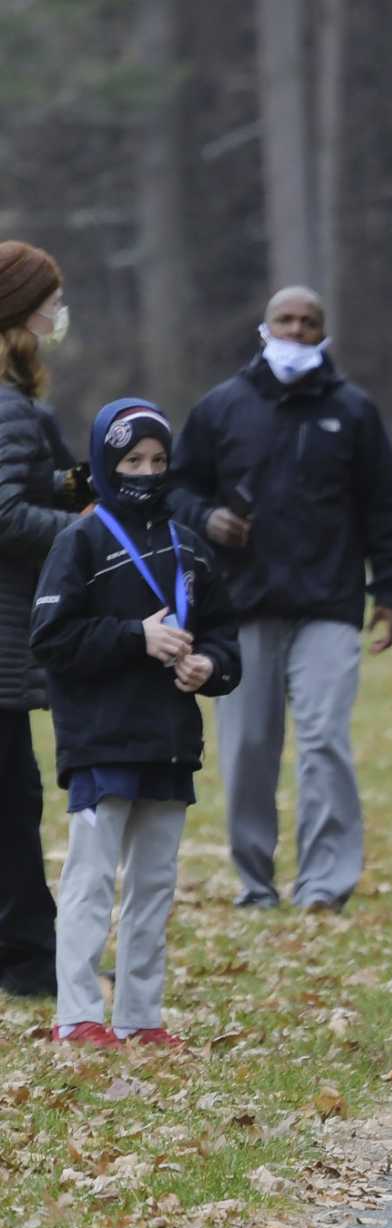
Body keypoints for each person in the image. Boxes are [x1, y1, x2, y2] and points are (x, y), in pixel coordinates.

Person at [168, 285, 392, 912]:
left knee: (324, 738)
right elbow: (173, 489)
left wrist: (388, 593)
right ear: (265, 327)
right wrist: (210, 518)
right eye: (286, 319)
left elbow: (388, 507)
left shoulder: (353, 412)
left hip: (328, 606)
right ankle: (256, 883)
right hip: (241, 607)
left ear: (324, 332)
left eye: (310, 322)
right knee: (250, 748)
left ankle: (323, 885)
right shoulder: (222, 408)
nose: (298, 331)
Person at [31, 401, 241, 1046]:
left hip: (170, 744)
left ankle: (141, 1017)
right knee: (91, 880)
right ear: (102, 463)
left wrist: (209, 666)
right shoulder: (81, 541)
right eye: (130, 461)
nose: (145, 473)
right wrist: (133, 638)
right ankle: (78, 1015)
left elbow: (225, 637)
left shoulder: (190, 548)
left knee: (154, 884)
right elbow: (52, 638)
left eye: (157, 461)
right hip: (100, 742)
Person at [0, 240, 91, 997]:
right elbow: (3, 513)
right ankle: (29, 959)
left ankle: (30, 951)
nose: (60, 312)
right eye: (52, 299)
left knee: (16, 793)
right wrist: (85, 528)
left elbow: (30, 478)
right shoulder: (4, 404)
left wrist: (80, 481)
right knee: (13, 798)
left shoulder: (16, 405)